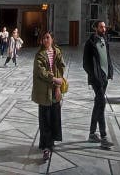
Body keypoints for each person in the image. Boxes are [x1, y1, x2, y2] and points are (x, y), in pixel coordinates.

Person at [32, 31, 66, 162]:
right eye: (43, 38)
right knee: (45, 118)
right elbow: (40, 72)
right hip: (44, 90)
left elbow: (61, 67)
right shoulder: (39, 55)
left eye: (48, 37)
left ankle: (51, 141)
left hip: (55, 89)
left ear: (52, 39)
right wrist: (54, 79)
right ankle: (45, 146)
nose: (46, 40)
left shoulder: (57, 52)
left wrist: (58, 85)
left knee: (55, 115)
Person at [82, 21, 114, 149]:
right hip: (97, 79)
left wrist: (109, 72)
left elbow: (107, 57)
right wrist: (95, 76)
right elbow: (85, 63)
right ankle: (104, 136)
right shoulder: (90, 43)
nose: (104, 28)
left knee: (98, 104)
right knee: (102, 103)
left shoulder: (104, 41)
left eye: (105, 26)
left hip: (105, 77)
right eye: (101, 27)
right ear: (95, 28)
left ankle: (91, 134)